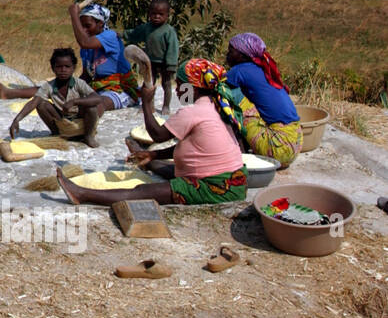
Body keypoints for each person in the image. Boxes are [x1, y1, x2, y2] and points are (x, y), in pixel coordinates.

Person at [58, 59, 246, 207]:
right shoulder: (216, 106)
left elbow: (157, 135)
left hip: (216, 187)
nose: (178, 90)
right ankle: (147, 160)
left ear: (193, 88)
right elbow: (196, 146)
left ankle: (82, 194)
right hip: (232, 179)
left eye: (181, 85)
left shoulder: (193, 112)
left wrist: (147, 103)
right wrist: (153, 154)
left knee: (142, 191)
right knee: (163, 168)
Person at [66, 2, 150, 147]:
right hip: (98, 87)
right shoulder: (88, 48)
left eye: (87, 26)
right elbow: (86, 75)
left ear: (100, 23)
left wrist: (73, 15)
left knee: (98, 102)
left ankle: (86, 131)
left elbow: (84, 42)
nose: (84, 30)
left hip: (120, 89)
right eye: (82, 26)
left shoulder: (110, 36)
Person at [224, 32, 302, 168]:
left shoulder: (240, 70)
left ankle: (237, 154)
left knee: (232, 97)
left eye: (231, 51)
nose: (227, 54)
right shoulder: (264, 69)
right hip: (296, 141)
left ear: (242, 55)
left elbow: (216, 86)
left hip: (277, 147)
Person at [7, 47, 94, 140]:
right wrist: (17, 120)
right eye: (59, 67)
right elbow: (33, 102)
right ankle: (57, 133)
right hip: (62, 119)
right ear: (53, 68)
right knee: (41, 104)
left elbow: (97, 98)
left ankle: (88, 137)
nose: (63, 70)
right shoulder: (49, 86)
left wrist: (75, 102)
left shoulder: (79, 83)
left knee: (92, 107)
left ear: (73, 68)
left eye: (67, 66)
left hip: (79, 119)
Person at [121, 0, 179, 115]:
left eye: (160, 14)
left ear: (167, 15)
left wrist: (171, 65)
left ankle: (166, 106)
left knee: (166, 84)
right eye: (154, 14)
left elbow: (173, 49)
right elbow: (135, 33)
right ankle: (147, 105)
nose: (157, 16)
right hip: (149, 62)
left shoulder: (169, 31)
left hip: (165, 63)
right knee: (148, 84)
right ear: (149, 14)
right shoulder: (147, 27)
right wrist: (122, 34)